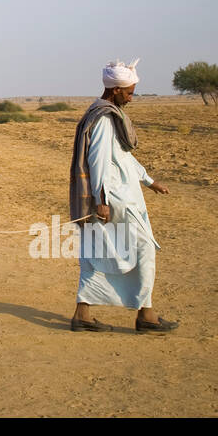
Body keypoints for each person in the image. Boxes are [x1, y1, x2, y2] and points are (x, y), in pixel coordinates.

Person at [68, 59, 178, 333]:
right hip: (116, 200)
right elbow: (100, 162)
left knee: (95, 252)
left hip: (116, 197)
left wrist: (149, 181)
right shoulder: (104, 118)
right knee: (143, 250)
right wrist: (101, 200)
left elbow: (123, 158)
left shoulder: (105, 114)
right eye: (129, 91)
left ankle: (83, 314)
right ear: (115, 89)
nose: (132, 96)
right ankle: (146, 316)